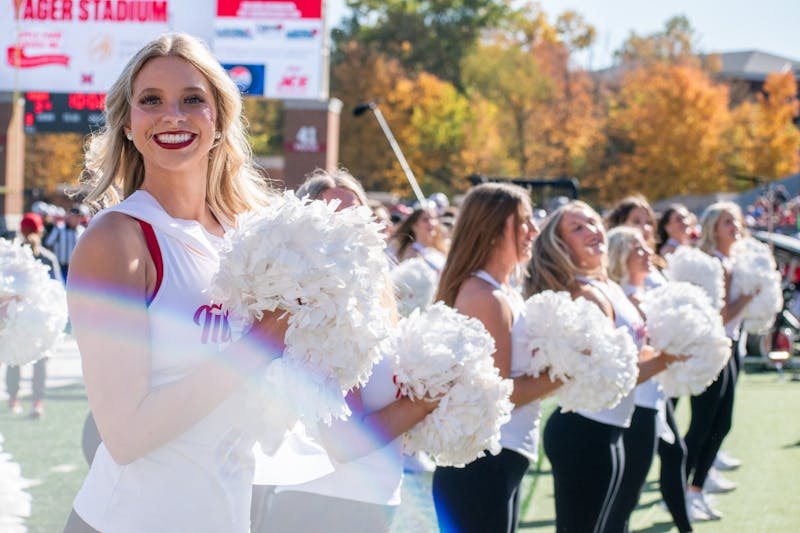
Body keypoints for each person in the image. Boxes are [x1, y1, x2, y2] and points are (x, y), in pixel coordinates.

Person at [62, 33, 286, 533]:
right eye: (151, 101)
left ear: (220, 118)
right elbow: (123, 435)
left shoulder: (247, 236)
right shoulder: (117, 241)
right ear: (127, 123)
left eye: (192, 100)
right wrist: (260, 345)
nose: (173, 116)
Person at [252, 169, 438, 533]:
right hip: (324, 505)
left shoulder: (372, 306)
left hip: (368, 500)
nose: (346, 228)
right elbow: (344, 442)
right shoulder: (314, 308)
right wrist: (426, 401)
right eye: (330, 217)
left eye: (356, 215)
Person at [527, 201, 685, 533]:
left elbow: (627, 358)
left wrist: (665, 350)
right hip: (584, 433)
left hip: (610, 430)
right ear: (559, 244)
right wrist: (664, 361)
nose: (593, 231)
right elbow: (611, 376)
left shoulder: (607, 286)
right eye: (577, 228)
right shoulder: (581, 294)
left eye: (593, 222)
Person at [432, 183, 560, 533]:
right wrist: (567, 372)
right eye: (524, 222)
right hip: (484, 460)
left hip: (503, 457)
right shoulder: (484, 296)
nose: (534, 231)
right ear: (491, 229)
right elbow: (497, 393)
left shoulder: (504, 292)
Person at [606, 197, 696, 529]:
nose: (647, 250)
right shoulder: (620, 298)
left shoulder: (642, 289)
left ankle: (685, 526)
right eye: (637, 249)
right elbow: (627, 360)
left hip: (652, 394)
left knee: (674, 457)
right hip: (636, 403)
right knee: (625, 493)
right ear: (619, 255)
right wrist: (668, 354)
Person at [683, 202, 754, 521]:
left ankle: (696, 488)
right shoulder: (713, 263)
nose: (734, 227)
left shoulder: (730, 259)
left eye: (736, 221)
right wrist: (749, 297)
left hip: (729, 346)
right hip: (713, 350)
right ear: (713, 228)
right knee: (703, 425)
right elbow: (721, 315)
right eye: (728, 222)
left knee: (720, 423)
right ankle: (680, 491)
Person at [5, 213, 61, 418]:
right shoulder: (48, 257)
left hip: (16, 318)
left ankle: (14, 399)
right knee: (40, 361)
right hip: (40, 319)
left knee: (15, 359)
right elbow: (57, 290)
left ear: (22, 230)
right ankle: (37, 402)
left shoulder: (14, 257)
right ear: (40, 230)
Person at [390, 207, 447, 271]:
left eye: (434, 218)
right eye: (425, 220)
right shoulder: (408, 252)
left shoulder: (443, 249)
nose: (431, 223)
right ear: (414, 225)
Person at [44, 204, 87, 282]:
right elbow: (48, 244)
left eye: (78, 217)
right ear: (69, 217)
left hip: (76, 268)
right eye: (74, 217)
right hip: (61, 266)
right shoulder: (59, 228)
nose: (76, 220)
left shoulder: (82, 231)